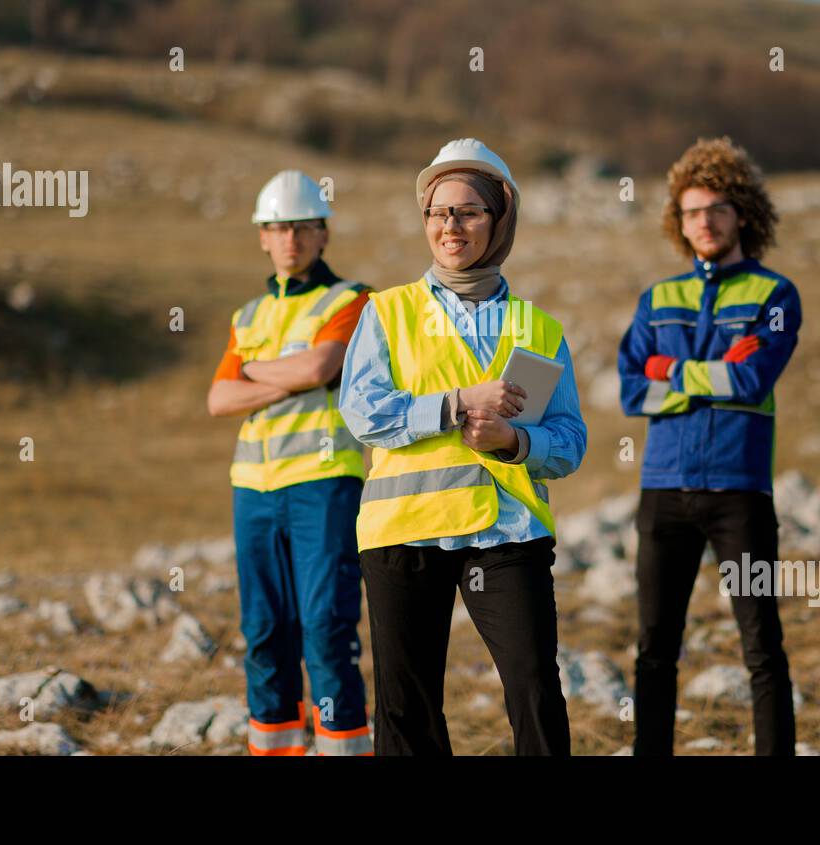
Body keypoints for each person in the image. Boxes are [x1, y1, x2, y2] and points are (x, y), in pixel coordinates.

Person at [339, 138, 587, 755]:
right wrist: (455, 405)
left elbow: (569, 440)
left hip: (507, 534)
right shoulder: (387, 313)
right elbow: (362, 415)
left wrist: (514, 441)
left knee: (534, 691)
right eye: (437, 212)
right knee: (407, 706)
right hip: (406, 530)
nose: (451, 226)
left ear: (498, 220)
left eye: (468, 211)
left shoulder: (538, 328)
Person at [618, 136, 803, 756]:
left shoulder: (775, 298)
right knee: (653, 649)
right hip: (663, 492)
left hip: (739, 494)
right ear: (679, 221)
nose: (703, 221)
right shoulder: (656, 298)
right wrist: (709, 371)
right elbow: (627, 390)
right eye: (691, 211)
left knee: (761, 647)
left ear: (742, 213)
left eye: (716, 208)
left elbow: (752, 379)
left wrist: (668, 370)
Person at [207, 169, 373, 755]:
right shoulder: (247, 315)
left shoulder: (351, 300)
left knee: (326, 628)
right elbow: (218, 399)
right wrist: (284, 375)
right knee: (264, 633)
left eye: (302, 227)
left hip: (324, 485)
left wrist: (254, 371)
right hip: (253, 489)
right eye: (277, 228)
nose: (290, 239)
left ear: (323, 233)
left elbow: (319, 369)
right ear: (262, 236)